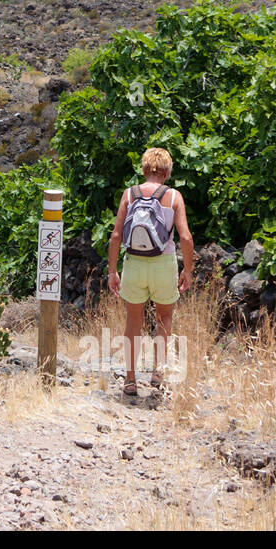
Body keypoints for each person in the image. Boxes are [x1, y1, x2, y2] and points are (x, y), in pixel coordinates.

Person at [107, 147, 194, 396]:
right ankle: (157, 372)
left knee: (133, 321)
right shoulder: (174, 197)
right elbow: (185, 237)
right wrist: (188, 270)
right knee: (164, 318)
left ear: (144, 170)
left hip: (134, 263)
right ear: (167, 173)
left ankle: (131, 379)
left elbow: (115, 236)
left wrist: (112, 271)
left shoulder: (129, 194)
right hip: (163, 264)